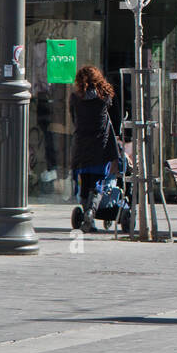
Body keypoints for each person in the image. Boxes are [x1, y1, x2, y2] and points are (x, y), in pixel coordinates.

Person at [69, 65, 121, 233]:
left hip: (82, 146)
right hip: (101, 146)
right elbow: (116, 119)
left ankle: (87, 215)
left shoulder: (75, 98)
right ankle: (90, 214)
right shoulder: (105, 97)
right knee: (98, 181)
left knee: (84, 181)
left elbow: (73, 119)